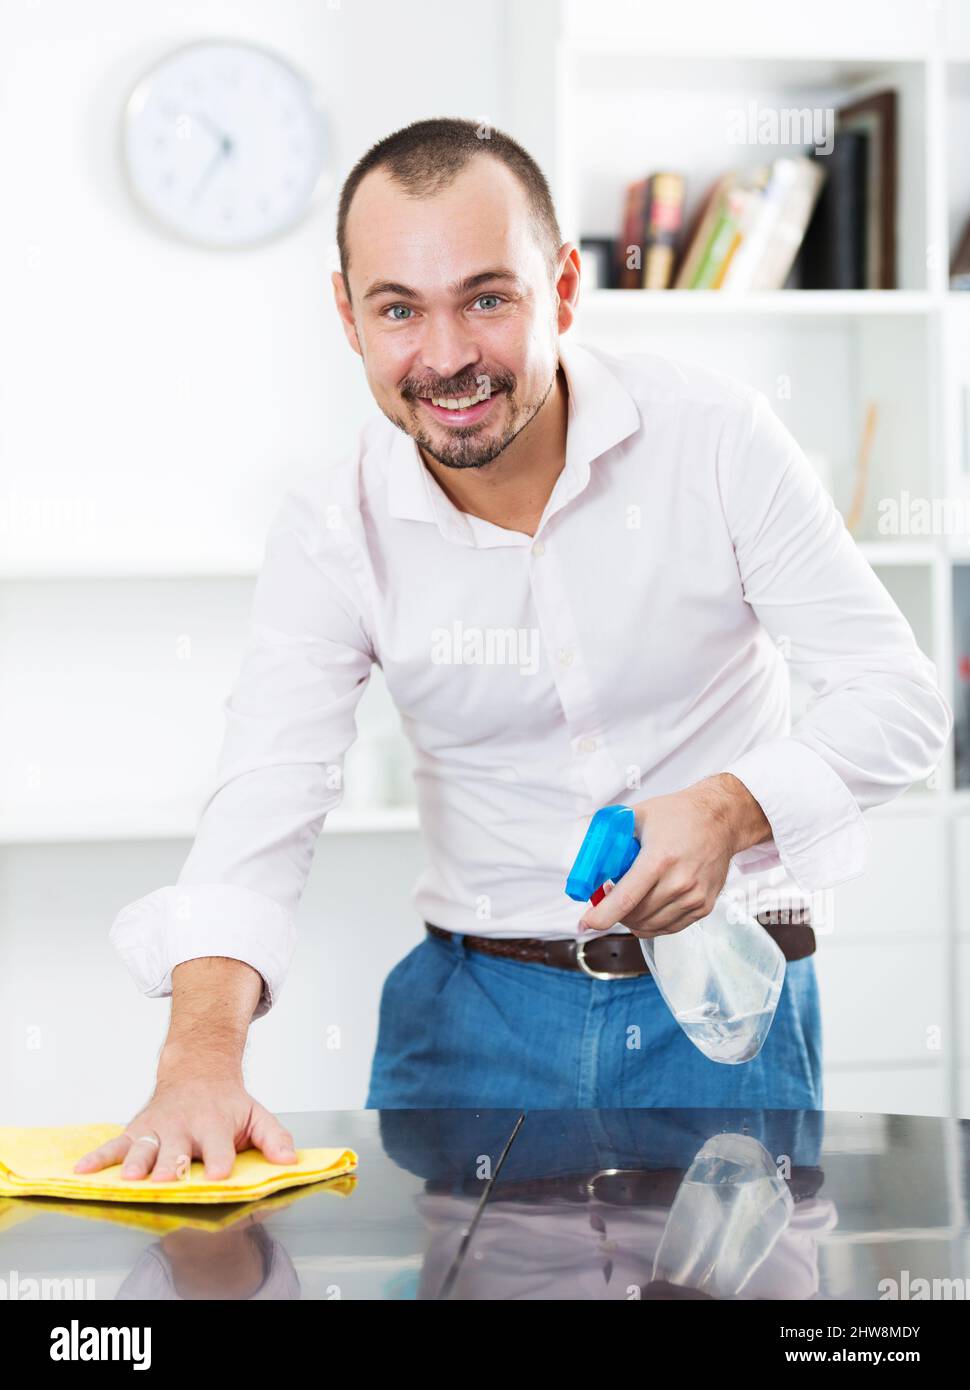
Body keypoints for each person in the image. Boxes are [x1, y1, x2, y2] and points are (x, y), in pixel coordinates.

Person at [76, 117, 952, 1184]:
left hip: (720, 1013)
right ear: (348, 315)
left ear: (564, 289)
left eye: (487, 298)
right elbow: (264, 799)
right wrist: (199, 1057)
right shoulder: (331, 525)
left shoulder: (715, 438)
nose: (445, 358)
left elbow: (900, 698)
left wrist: (727, 809)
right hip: (471, 1026)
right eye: (400, 309)